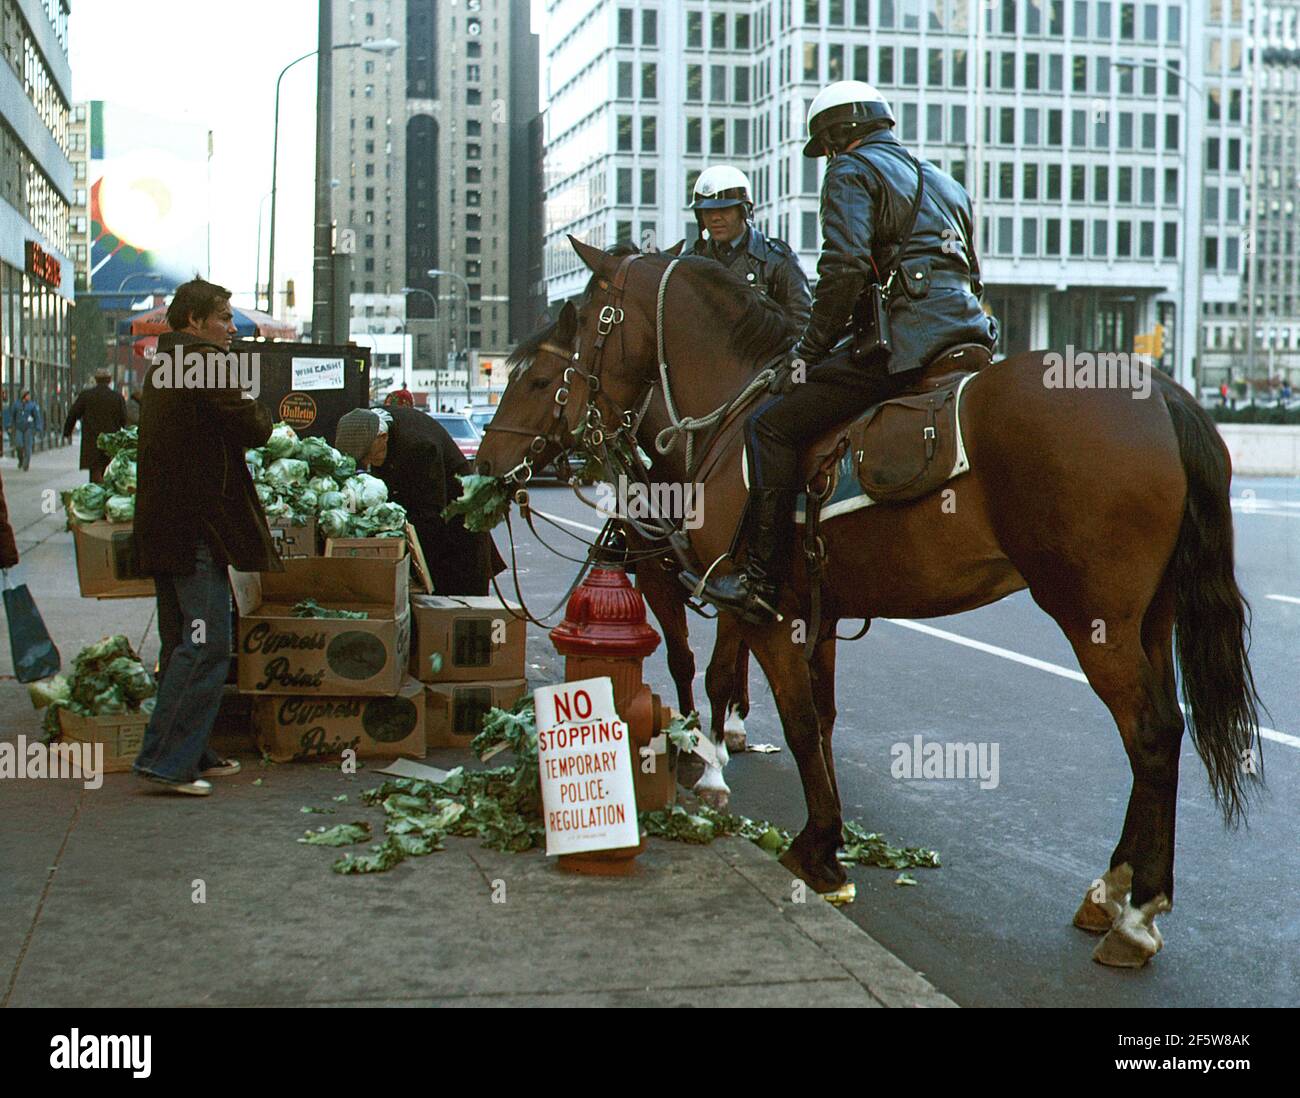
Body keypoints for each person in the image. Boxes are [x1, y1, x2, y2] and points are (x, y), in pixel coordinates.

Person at [701, 81, 999, 624]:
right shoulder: (945, 182)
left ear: (840, 137)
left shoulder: (852, 171)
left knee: (771, 426)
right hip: (969, 336)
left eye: (829, 148)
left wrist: (809, 354)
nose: (829, 159)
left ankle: (761, 580)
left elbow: (844, 269)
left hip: (906, 344)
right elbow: (972, 272)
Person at [132, 278, 282, 796]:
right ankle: (168, 761)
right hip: (194, 527)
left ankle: (191, 748)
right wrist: (260, 409)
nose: (231, 328)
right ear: (195, 320)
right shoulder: (203, 361)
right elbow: (255, 426)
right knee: (206, 642)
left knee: (181, 643)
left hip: (167, 525)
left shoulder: (167, 360)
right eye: (222, 317)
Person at [334, 405, 505, 595]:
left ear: (383, 438)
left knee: (452, 606)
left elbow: (429, 517)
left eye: (367, 456)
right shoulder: (370, 422)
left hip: (456, 533)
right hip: (426, 520)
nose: (366, 463)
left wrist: (409, 570)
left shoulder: (420, 447)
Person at [690, 165, 811, 342]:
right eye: (707, 211)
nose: (715, 218)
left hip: (763, 363)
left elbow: (800, 326)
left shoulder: (778, 261)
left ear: (743, 211)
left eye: (723, 210)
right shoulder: (691, 263)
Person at [63, 367, 127, 484]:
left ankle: (95, 494)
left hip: (91, 441)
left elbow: (73, 414)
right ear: (109, 380)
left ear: (96, 380)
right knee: (109, 471)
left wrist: (67, 431)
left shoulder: (86, 396)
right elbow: (124, 420)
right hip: (111, 442)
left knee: (94, 472)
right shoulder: (117, 398)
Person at [10, 391, 44, 471]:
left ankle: (26, 465)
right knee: (19, 445)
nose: (29, 396)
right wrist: (11, 426)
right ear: (23, 396)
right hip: (19, 428)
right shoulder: (16, 405)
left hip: (29, 428)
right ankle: (21, 460)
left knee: (28, 448)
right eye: (27, 395)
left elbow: (37, 417)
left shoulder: (32, 405)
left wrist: (38, 427)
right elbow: (13, 416)